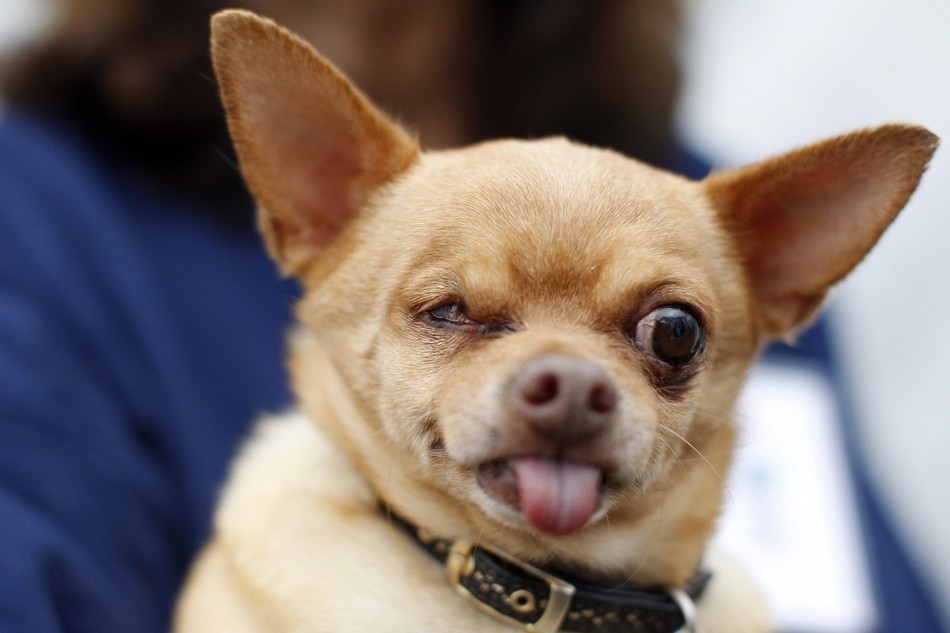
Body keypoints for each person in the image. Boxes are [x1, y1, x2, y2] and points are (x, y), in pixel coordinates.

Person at [0, 1, 700, 631]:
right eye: (450, 310)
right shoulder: (34, 217)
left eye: (666, 335)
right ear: (307, 192)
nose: (573, 380)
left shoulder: (708, 219)